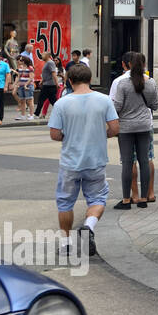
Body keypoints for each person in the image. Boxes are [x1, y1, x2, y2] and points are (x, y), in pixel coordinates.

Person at [48, 62, 118, 258]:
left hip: (70, 162)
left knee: (65, 203)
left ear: (70, 81)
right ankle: (89, 226)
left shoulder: (62, 103)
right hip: (95, 160)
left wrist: (67, 136)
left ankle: (65, 243)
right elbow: (115, 129)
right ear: (90, 79)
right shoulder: (104, 100)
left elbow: (54, 134)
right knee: (97, 198)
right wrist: (100, 134)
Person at [110, 52, 158, 210]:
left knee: (127, 162)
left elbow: (116, 107)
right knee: (144, 161)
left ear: (129, 65)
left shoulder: (123, 84)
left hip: (126, 127)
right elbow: (155, 105)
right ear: (144, 65)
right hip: (144, 126)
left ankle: (126, 199)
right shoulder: (150, 83)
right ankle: (144, 198)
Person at [35, 50, 60, 119]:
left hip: (49, 85)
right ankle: (61, 112)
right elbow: (47, 74)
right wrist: (42, 81)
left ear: (48, 56)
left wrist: (57, 83)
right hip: (47, 84)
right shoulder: (47, 63)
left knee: (41, 99)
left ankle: (36, 114)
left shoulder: (50, 63)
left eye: (43, 55)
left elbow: (53, 73)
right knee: (53, 101)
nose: (42, 56)